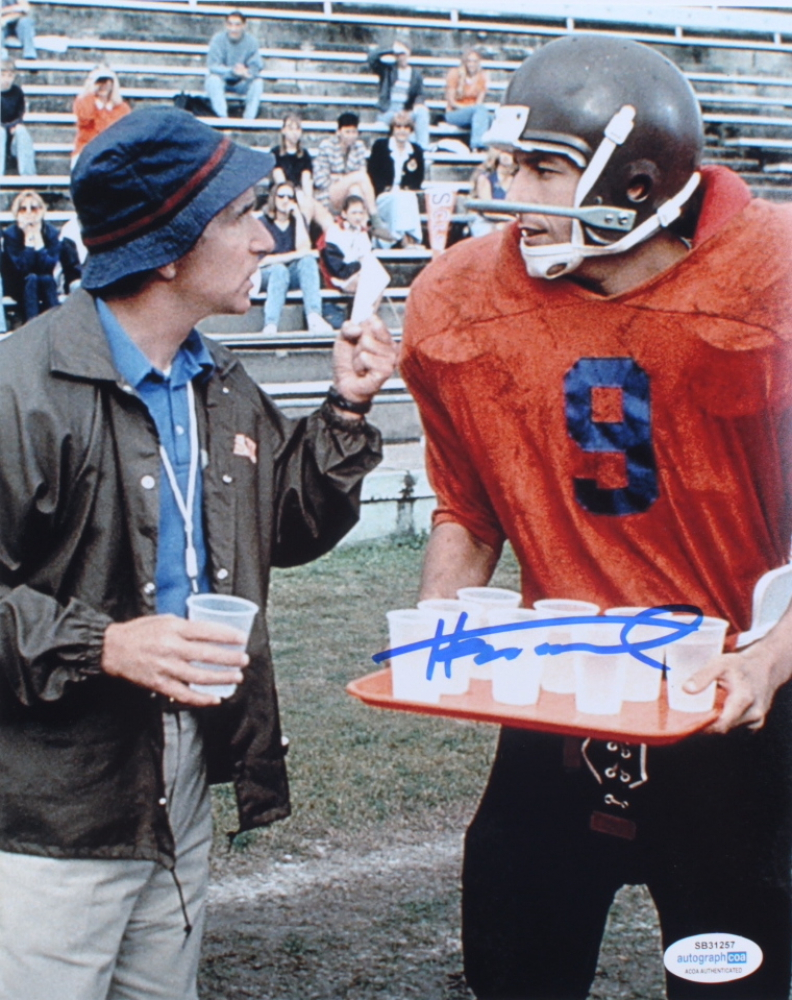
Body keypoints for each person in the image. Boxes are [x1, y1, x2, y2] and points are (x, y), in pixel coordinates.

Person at [401, 34, 792, 1000]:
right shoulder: (462, 298)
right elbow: (469, 503)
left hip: (734, 709)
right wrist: (439, 622)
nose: (512, 193)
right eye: (507, 164)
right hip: (561, 696)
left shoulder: (769, 280)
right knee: (516, 965)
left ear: (637, 178)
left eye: (544, 168)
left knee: (735, 981)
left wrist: (770, 656)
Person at [0, 106, 398, 1000]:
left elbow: (283, 530)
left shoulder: (215, 377)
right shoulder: (19, 394)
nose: (266, 238)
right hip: (48, 810)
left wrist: (345, 413)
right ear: (169, 249)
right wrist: (102, 644)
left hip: (181, 769)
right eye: (240, 215)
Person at [258, 180, 332, 336]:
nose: (285, 200)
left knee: (308, 261)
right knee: (279, 270)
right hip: (267, 274)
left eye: (289, 197)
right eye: (281, 196)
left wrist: (298, 216)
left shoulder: (297, 222)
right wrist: (293, 256)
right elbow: (262, 260)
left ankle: (314, 316)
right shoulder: (263, 223)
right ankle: (270, 324)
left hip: (290, 273)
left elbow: (304, 251)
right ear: (273, 198)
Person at [313, 111, 392, 241]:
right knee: (359, 177)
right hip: (329, 195)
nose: (351, 136)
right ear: (339, 132)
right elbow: (320, 180)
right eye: (347, 132)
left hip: (349, 193)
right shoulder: (326, 146)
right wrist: (345, 180)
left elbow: (361, 174)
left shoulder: (359, 147)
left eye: (354, 132)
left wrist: (342, 178)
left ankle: (360, 234)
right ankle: (376, 220)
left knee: (356, 189)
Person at [1, 188, 61, 321]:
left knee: (47, 279)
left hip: (43, 280)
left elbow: (48, 267)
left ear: (41, 211)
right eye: (23, 209)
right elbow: (22, 269)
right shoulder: (11, 234)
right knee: (32, 278)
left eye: (33, 208)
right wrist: (28, 238)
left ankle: (57, 324)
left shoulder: (51, 232)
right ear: (17, 213)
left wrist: (38, 237)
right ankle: (32, 325)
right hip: (18, 284)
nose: (29, 213)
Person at [367, 109, 424, 248]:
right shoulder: (381, 147)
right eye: (398, 127)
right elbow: (372, 174)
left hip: (405, 196)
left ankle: (410, 238)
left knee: (407, 197)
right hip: (383, 196)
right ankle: (403, 239)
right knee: (399, 198)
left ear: (411, 130)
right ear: (393, 129)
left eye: (406, 127)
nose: (402, 131)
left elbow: (418, 179)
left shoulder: (416, 150)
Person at [368, 40, 429, 151]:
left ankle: (423, 148)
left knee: (422, 112)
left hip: (406, 111)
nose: (401, 57)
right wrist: (391, 49)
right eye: (398, 54)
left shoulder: (416, 75)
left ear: (408, 54)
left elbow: (420, 95)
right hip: (389, 111)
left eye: (403, 54)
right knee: (407, 129)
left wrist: (417, 105)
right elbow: (372, 58)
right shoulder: (387, 70)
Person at [205, 10, 262, 120]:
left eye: (237, 25)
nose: (233, 29)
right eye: (230, 24)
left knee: (258, 82)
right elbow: (213, 66)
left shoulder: (251, 42)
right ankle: (223, 118)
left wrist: (247, 72)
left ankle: (248, 120)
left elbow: (256, 65)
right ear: (226, 25)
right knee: (212, 80)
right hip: (223, 80)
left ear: (244, 25)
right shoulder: (218, 40)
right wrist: (233, 71)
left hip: (241, 82)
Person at [72, 65, 131, 164]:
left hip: (111, 153)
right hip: (87, 151)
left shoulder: (122, 108)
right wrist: (90, 91)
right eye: (99, 81)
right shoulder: (83, 102)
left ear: (113, 84)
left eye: (107, 81)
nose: (103, 85)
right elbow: (85, 118)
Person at [443, 48, 491, 151]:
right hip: (455, 112)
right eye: (469, 61)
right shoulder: (454, 74)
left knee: (493, 119)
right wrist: (469, 108)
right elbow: (451, 102)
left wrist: (473, 109)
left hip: (474, 112)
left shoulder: (482, 77)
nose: (471, 64)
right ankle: (477, 144)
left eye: (474, 61)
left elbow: (479, 102)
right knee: (480, 110)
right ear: (464, 62)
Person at [270, 112, 314, 219]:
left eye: (297, 129)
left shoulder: (305, 155)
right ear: (283, 130)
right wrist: (296, 195)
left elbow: (306, 181)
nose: (294, 133)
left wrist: (307, 198)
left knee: (309, 203)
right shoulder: (275, 153)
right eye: (290, 128)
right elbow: (280, 181)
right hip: (281, 194)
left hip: (300, 194)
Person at [467, 147, 517, 238]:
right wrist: (509, 219)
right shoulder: (486, 178)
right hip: (486, 221)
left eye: (510, 153)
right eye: (503, 152)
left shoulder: (517, 180)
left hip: (510, 222)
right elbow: (487, 211)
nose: (506, 156)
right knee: (495, 230)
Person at [1, 56, 36, 175]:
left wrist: (14, 126)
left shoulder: (17, 92)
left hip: (12, 135)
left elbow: (20, 115)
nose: (6, 79)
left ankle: (28, 176)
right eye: (3, 75)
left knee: (21, 131)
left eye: (10, 76)